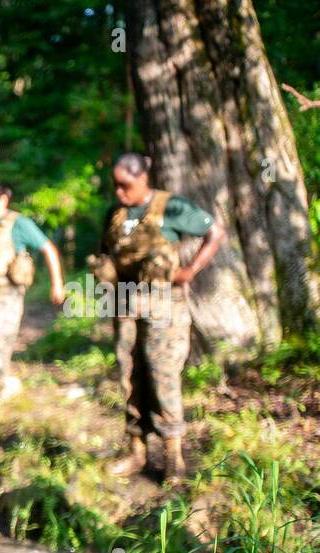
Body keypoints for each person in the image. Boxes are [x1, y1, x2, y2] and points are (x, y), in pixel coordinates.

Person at [93, 152, 224, 482]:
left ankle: (173, 456)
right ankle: (136, 450)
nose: (119, 192)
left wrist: (190, 269)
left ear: (141, 179)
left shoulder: (172, 207)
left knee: (162, 374)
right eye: (115, 186)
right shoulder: (116, 213)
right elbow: (107, 253)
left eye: (124, 185)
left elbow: (215, 231)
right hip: (125, 304)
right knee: (128, 374)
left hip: (164, 305)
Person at [0, 181, 66, 415]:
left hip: (6, 294)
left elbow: (48, 249)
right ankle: (6, 382)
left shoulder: (19, 223)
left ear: (3, 200)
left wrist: (57, 284)